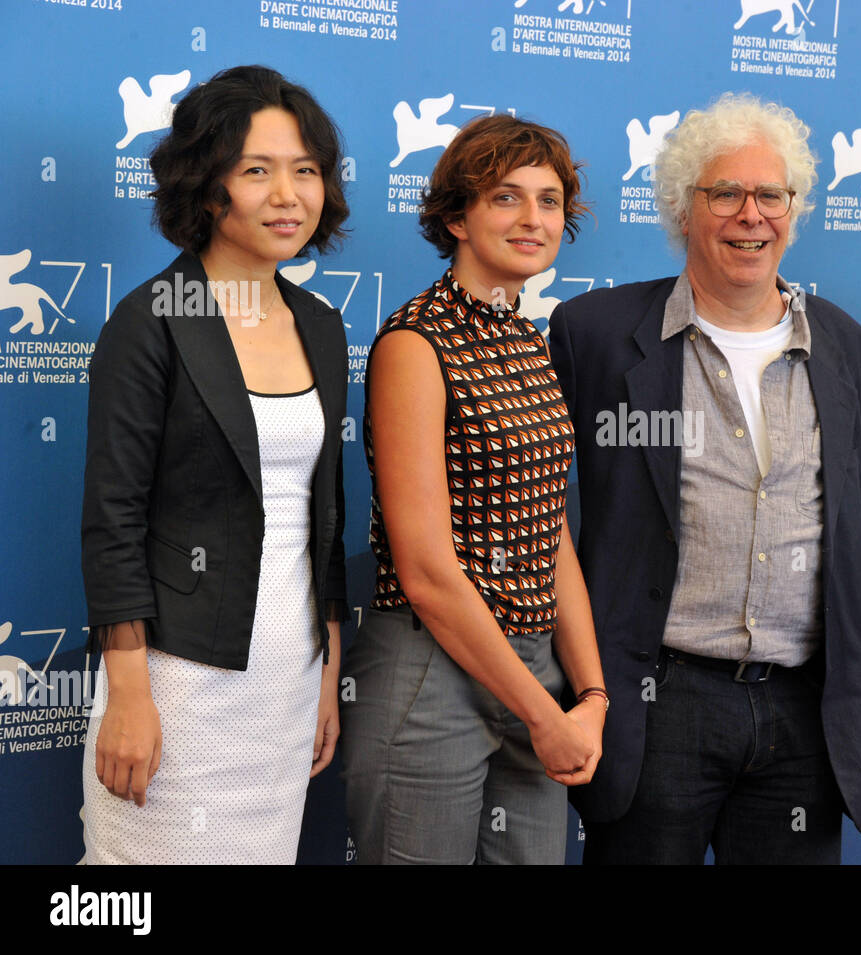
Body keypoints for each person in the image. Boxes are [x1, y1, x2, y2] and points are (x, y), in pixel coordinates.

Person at [548, 93, 861, 865]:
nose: (751, 215)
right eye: (726, 194)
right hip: (656, 700)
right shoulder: (595, 335)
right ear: (683, 208)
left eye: (770, 195)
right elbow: (537, 493)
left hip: (807, 712)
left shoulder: (846, 347)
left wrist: (854, 643)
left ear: (793, 209)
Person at [80, 65, 351, 864]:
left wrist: (328, 670)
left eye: (305, 171)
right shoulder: (150, 322)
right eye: (257, 170)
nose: (288, 195)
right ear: (207, 188)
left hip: (286, 680)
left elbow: (322, 514)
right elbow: (113, 518)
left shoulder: (322, 326)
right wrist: (129, 693)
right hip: (176, 678)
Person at [340, 115, 605, 865]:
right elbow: (426, 572)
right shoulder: (413, 343)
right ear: (456, 216)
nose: (533, 219)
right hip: (431, 673)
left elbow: (549, 531)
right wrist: (543, 711)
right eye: (506, 198)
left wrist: (589, 697)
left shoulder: (529, 339)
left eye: (549, 201)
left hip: (536, 671)